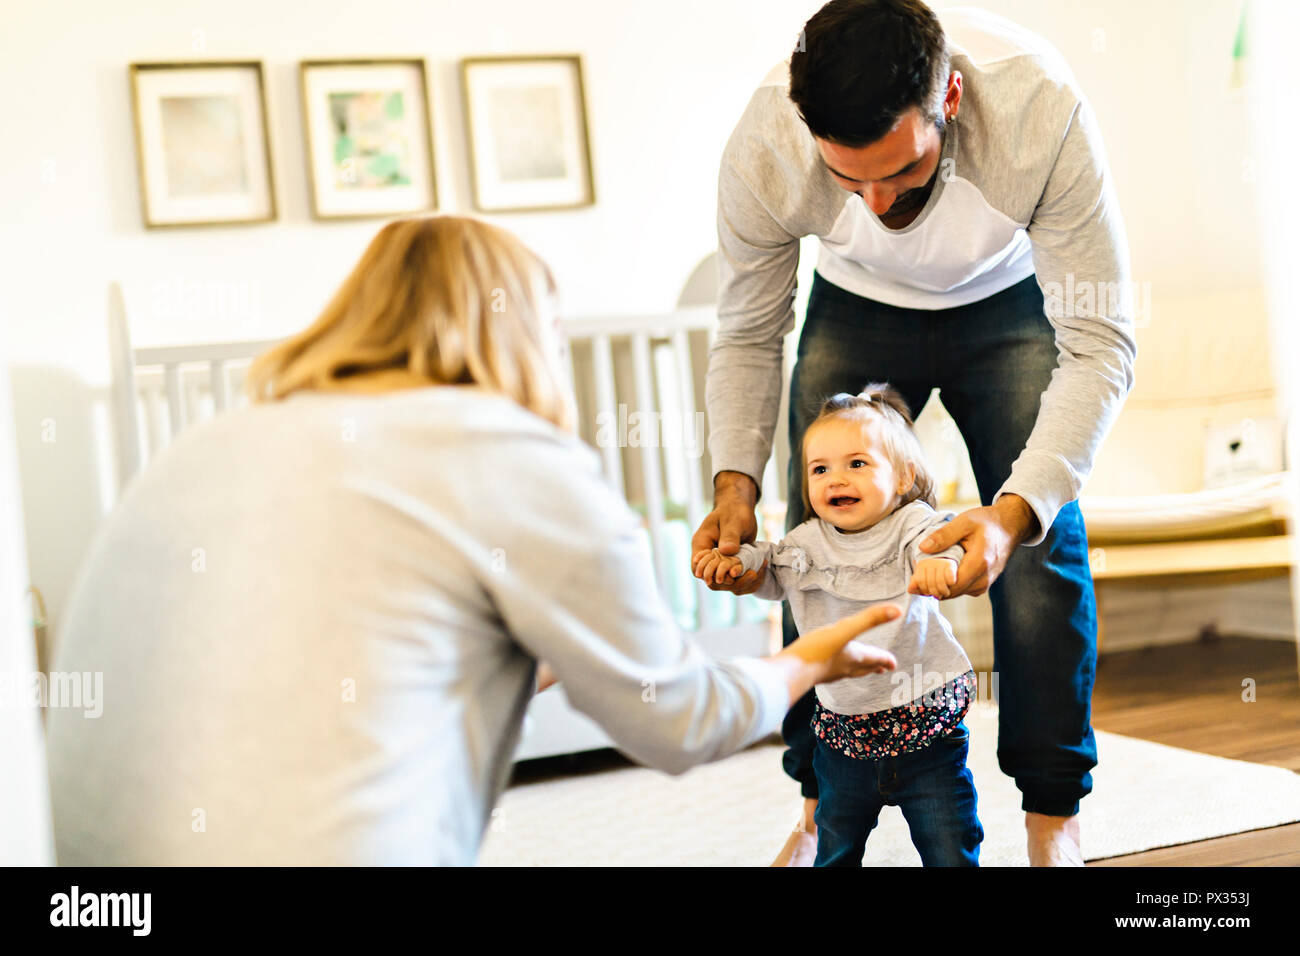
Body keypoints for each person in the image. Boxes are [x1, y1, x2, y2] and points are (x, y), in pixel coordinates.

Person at [44, 215, 904, 866]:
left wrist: (544, 654)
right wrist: (807, 659)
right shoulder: (511, 456)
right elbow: (680, 722)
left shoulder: (211, 442)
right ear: (528, 336)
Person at [692, 0, 1136, 867]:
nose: (877, 200)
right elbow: (748, 330)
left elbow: (1101, 341)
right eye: (850, 180)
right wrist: (732, 484)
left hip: (1011, 301)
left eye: (900, 171)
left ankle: (1055, 821)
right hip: (856, 306)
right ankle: (821, 802)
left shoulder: (1040, 107)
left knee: (1042, 539)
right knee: (814, 540)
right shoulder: (767, 142)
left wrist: (1010, 515)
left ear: (953, 101)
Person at [694, 384, 981, 865]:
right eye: (820, 469)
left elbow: (941, 540)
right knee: (836, 846)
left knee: (950, 843)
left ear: (904, 476)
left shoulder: (912, 522)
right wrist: (738, 567)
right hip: (844, 739)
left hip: (927, 732)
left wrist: (943, 564)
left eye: (857, 464)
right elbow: (768, 566)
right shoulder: (806, 541)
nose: (836, 479)